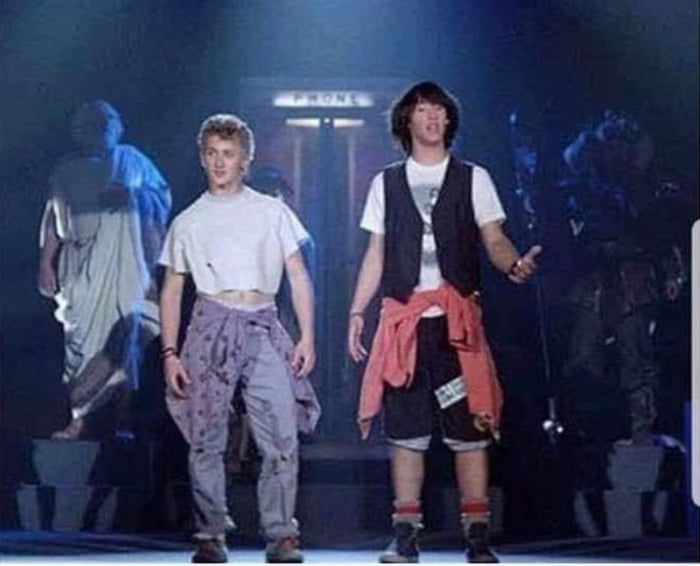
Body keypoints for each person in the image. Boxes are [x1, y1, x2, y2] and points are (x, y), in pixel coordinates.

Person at [347, 82, 540, 563]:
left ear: (449, 120)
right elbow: (375, 254)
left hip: (456, 325)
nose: (432, 118)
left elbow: (494, 238)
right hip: (406, 323)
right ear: (406, 121)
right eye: (422, 110)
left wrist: (513, 265)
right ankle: (405, 535)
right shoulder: (386, 182)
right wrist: (357, 311)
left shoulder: (474, 178)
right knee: (406, 434)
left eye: (439, 110)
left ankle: (477, 535)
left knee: (470, 429)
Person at [158, 114, 320, 564]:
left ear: (245, 160)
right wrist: (169, 352)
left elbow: (298, 275)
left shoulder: (272, 211)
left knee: (281, 432)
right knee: (206, 436)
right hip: (210, 323)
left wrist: (307, 336)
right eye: (212, 153)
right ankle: (210, 533)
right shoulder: (188, 220)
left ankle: (281, 534)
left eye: (228, 154)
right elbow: (171, 289)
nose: (219, 162)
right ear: (202, 158)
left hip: (263, 322)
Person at [38, 100, 171, 440]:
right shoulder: (65, 169)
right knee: (78, 345)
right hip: (78, 266)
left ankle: (122, 418)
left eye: (105, 125)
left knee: (125, 344)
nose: (97, 132)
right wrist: (46, 263)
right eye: (89, 126)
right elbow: (52, 219)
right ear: (76, 131)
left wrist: (134, 195)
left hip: (125, 267)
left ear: (117, 128)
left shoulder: (132, 160)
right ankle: (79, 418)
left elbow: (161, 198)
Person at [560, 111, 687, 444]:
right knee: (584, 356)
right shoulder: (581, 189)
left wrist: (673, 272)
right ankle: (591, 433)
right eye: (609, 144)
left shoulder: (647, 187)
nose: (614, 151)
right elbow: (571, 235)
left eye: (621, 144)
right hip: (593, 282)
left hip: (634, 281)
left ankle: (641, 436)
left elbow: (663, 233)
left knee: (636, 358)